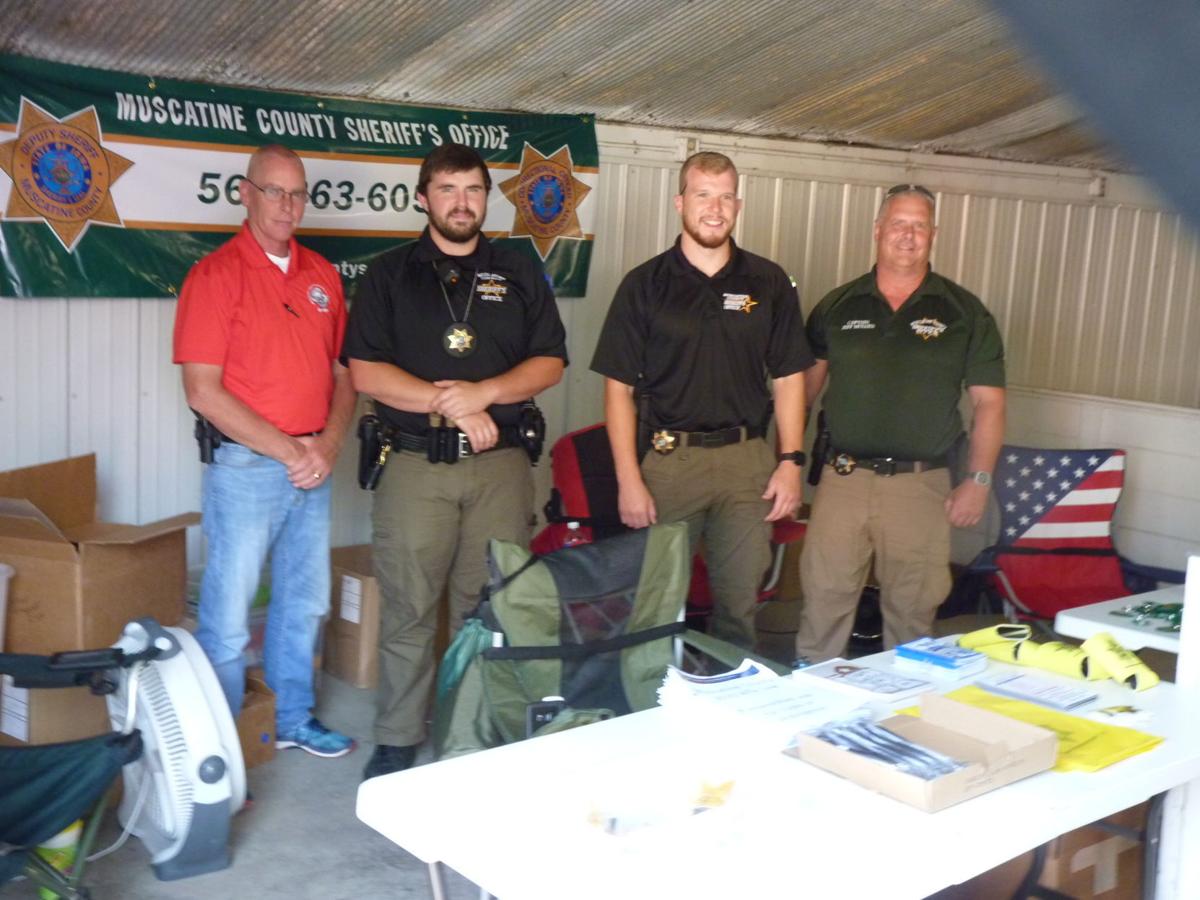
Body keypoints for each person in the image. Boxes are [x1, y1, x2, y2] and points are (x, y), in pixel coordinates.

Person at [344, 143, 567, 780]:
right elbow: (366, 371)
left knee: (488, 604)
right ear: (423, 198)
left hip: (499, 468)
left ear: (485, 199)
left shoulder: (519, 271)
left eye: (472, 190)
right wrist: (453, 407)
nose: (461, 202)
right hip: (415, 465)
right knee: (411, 605)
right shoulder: (388, 273)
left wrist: (485, 396)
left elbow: (549, 361)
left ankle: (474, 724)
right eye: (447, 190)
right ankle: (397, 735)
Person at [173, 144, 357, 758]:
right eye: (274, 191)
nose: (288, 205)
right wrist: (290, 451)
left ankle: (292, 720)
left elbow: (345, 373)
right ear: (245, 193)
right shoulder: (215, 276)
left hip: (315, 466)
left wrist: (326, 446)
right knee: (226, 616)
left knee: (304, 602)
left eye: (298, 193)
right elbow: (203, 391)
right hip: (249, 468)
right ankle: (223, 750)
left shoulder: (323, 275)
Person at [590, 151, 812, 650]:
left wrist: (790, 462)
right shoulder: (644, 285)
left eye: (726, 196)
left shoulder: (769, 282)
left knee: (739, 605)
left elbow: (789, 378)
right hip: (670, 462)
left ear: (739, 204)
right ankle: (651, 710)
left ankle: (728, 706)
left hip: (747, 464)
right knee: (654, 603)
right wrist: (629, 480)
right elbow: (617, 390)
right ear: (680, 202)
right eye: (703, 195)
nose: (715, 208)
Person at [795, 184, 1007, 662]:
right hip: (843, 479)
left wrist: (977, 481)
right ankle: (809, 705)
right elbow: (801, 395)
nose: (907, 236)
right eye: (898, 224)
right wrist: (785, 463)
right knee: (824, 600)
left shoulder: (964, 313)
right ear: (877, 230)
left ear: (933, 234)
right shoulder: (838, 305)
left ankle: (905, 713)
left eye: (918, 226)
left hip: (921, 484)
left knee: (912, 613)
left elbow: (990, 404)